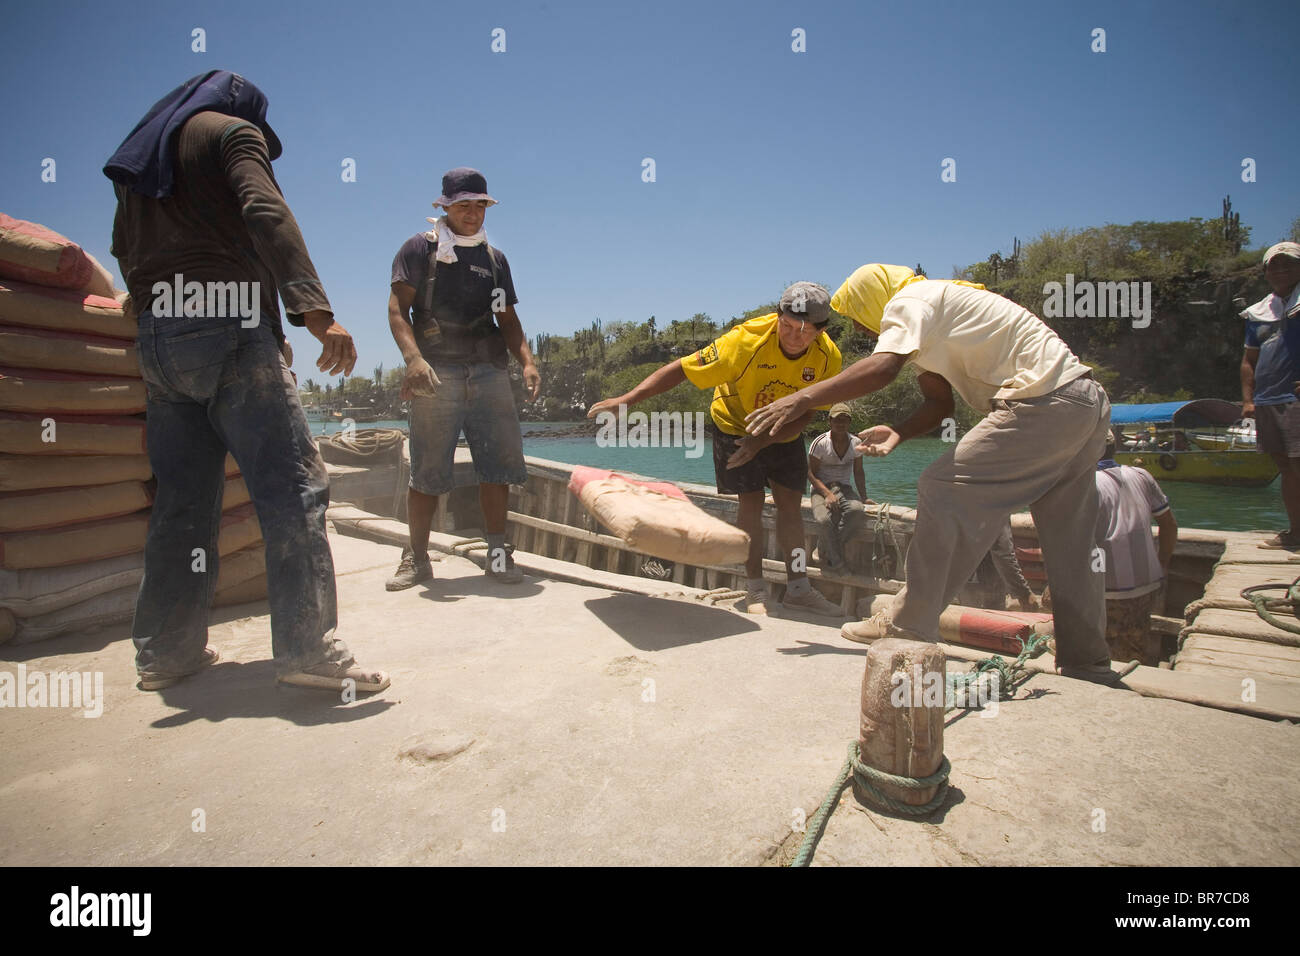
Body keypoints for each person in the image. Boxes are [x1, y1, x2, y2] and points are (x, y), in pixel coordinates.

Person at [105, 71, 388, 693]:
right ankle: (307, 649)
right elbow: (264, 210)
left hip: (159, 338)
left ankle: (165, 654)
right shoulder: (232, 133)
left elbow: (125, 246)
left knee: (181, 501)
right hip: (225, 328)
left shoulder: (145, 154)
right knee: (294, 487)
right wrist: (315, 312)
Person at [745, 264, 1118, 683]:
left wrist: (801, 399)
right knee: (1070, 534)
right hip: (1085, 401)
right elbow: (940, 406)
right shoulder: (935, 316)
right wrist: (899, 431)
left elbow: (883, 367)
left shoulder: (908, 301)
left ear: (872, 299)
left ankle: (908, 622)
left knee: (941, 487)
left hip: (1044, 401)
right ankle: (1087, 660)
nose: (863, 330)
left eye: (856, 318)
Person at [588, 282, 845, 617]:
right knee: (750, 505)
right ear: (777, 316)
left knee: (790, 508)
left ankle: (798, 588)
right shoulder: (743, 342)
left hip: (783, 431)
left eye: (804, 330)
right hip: (734, 424)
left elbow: (809, 413)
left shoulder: (828, 358)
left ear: (821, 331)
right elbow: (682, 368)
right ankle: (754, 591)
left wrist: (763, 441)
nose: (793, 336)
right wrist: (627, 400)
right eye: (785, 325)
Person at [385, 168, 541, 589]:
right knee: (428, 472)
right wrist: (413, 360)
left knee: (498, 468)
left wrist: (526, 360)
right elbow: (397, 309)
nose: (472, 214)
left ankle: (496, 555)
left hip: (490, 371)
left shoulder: (494, 260)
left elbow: (506, 318)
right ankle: (416, 558)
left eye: (479, 206)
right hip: (437, 373)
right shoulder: (421, 250)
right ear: (445, 207)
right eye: (462, 205)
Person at [1091, 442, 1177, 665]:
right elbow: (1169, 525)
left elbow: (1073, 540)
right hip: (1148, 581)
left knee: (1102, 655)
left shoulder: (1085, 484)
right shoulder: (1141, 475)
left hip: (1108, 588)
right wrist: (1163, 564)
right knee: (1136, 642)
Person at [1240, 241, 1300, 549]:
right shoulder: (1259, 313)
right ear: (1266, 272)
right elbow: (1249, 360)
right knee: (1286, 468)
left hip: (1295, 400)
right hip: (1268, 399)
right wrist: (1249, 400)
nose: (1281, 270)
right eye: (1274, 265)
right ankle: (1295, 533)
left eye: (1288, 263)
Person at [808, 403, 870, 575]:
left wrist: (864, 497)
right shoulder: (820, 443)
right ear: (830, 421)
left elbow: (858, 472)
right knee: (824, 520)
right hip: (821, 487)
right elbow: (810, 473)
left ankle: (823, 546)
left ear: (849, 422)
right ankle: (837, 563)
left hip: (844, 487)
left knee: (857, 511)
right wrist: (827, 494)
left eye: (844, 420)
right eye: (837, 420)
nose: (840, 424)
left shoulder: (856, 443)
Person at [970, 521, 1039, 611]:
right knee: (989, 622)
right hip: (987, 583)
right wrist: (1023, 593)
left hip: (964, 580)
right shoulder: (996, 509)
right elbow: (1003, 554)